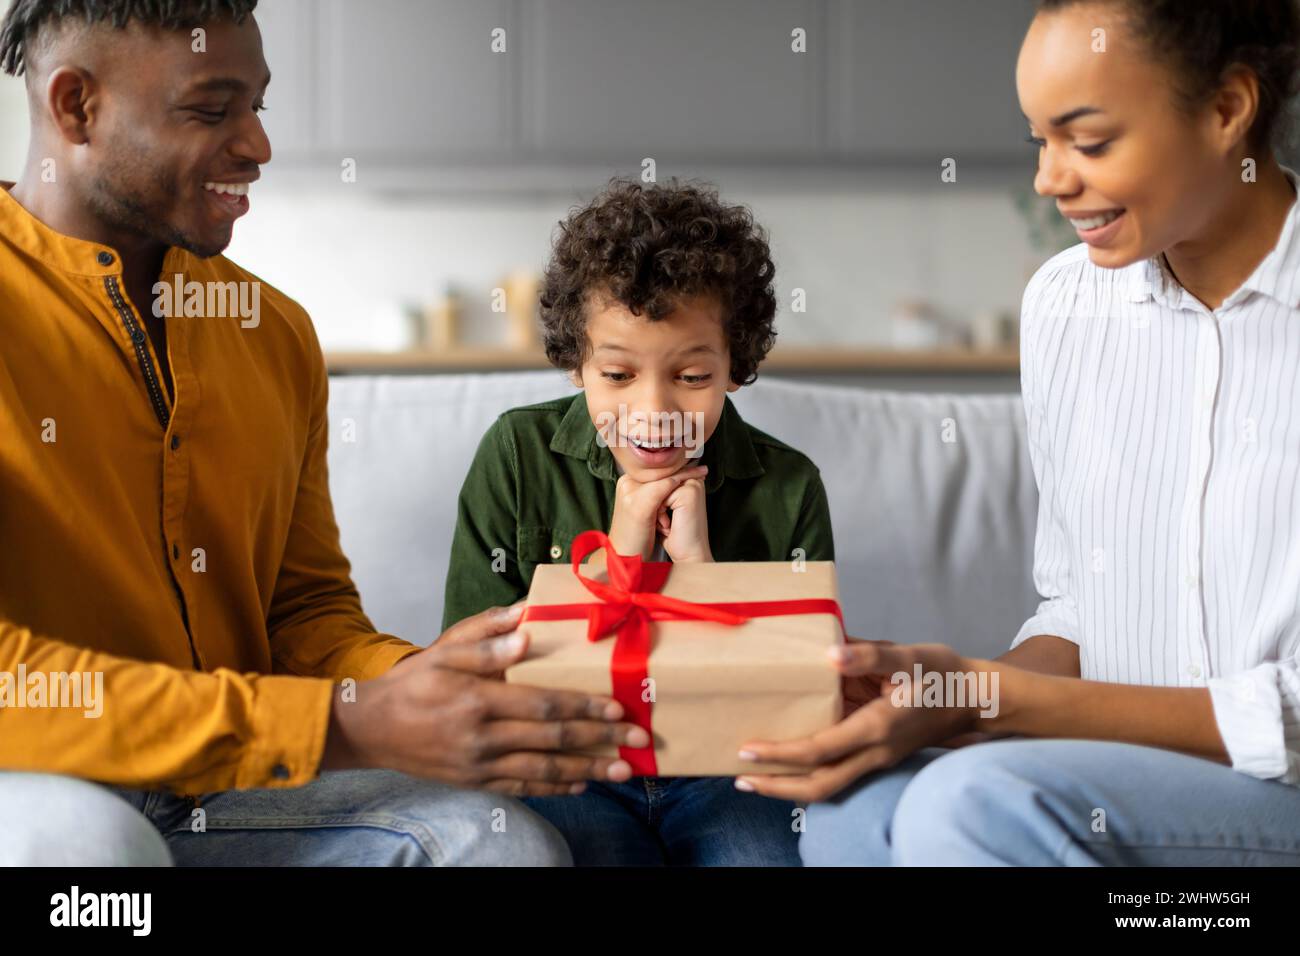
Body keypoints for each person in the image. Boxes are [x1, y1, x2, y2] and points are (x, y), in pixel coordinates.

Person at [0, 0, 647, 867]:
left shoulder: (273, 334)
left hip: (234, 794)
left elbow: (303, 615)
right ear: (75, 105)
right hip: (42, 783)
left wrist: (420, 681)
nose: (257, 145)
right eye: (210, 109)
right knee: (83, 848)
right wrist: (343, 723)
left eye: (258, 106)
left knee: (501, 848)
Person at [735, 0, 1300, 866]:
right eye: (1041, 139)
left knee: (973, 805)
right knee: (857, 805)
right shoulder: (1067, 304)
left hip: (1279, 793)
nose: (1050, 179)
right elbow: (1080, 612)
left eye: (1090, 139)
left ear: (1227, 110)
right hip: (1126, 783)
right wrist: (941, 688)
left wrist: (992, 702)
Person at [442, 178, 835, 865]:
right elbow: (469, 671)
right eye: (619, 376)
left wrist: (698, 572)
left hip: (725, 772)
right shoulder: (516, 454)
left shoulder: (789, 484)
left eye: (690, 376)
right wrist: (623, 550)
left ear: (734, 368)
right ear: (576, 366)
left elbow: (797, 694)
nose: (653, 408)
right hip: (571, 770)